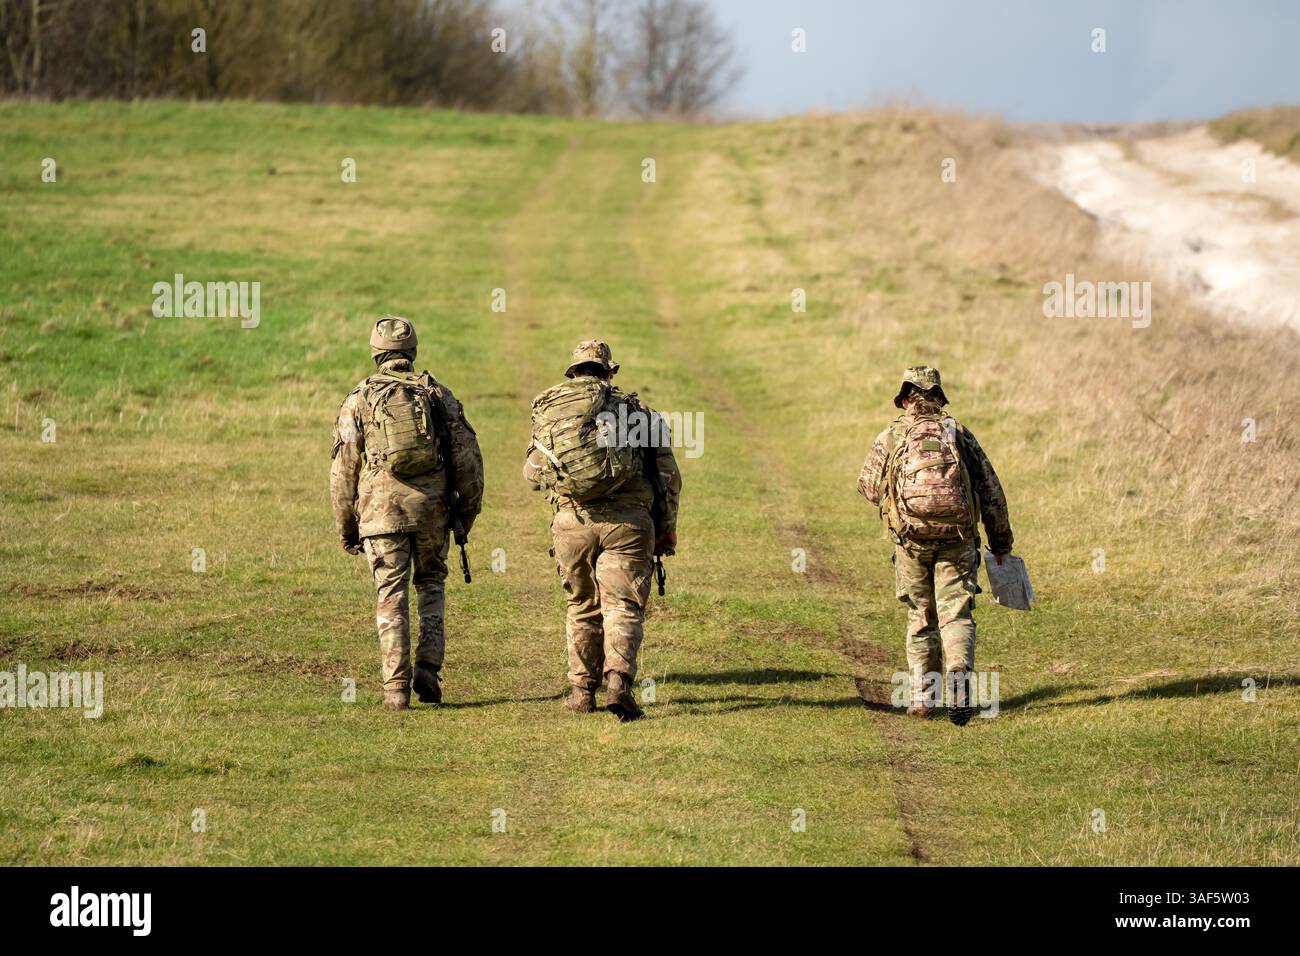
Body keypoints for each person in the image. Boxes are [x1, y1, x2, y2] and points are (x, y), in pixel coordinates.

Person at [330, 316, 483, 710]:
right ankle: (428, 670)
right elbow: (467, 459)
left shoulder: (357, 400)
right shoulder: (437, 394)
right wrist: (465, 514)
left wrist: (347, 525)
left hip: (380, 516)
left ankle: (395, 690)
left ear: (376, 353)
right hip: (432, 510)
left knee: (390, 595)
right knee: (430, 584)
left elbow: (344, 469)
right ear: (412, 353)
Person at [523, 340, 681, 721]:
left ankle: (581, 692)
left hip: (573, 523)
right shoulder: (638, 411)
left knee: (581, 605)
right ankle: (618, 684)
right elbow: (668, 477)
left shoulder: (553, 413)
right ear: (610, 372)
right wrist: (667, 529)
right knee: (622, 604)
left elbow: (531, 474)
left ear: (574, 373)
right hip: (629, 523)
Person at [858, 366, 1013, 725]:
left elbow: (867, 487)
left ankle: (922, 701)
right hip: (957, 539)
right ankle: (958, 669)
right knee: (956, 613)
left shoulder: (893, 435)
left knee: (920, 615)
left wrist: (901, 503)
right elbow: (990, 491)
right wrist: (1000, 541)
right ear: (940, 398)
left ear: (904, 398)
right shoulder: (957, 432)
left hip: (911, 540)